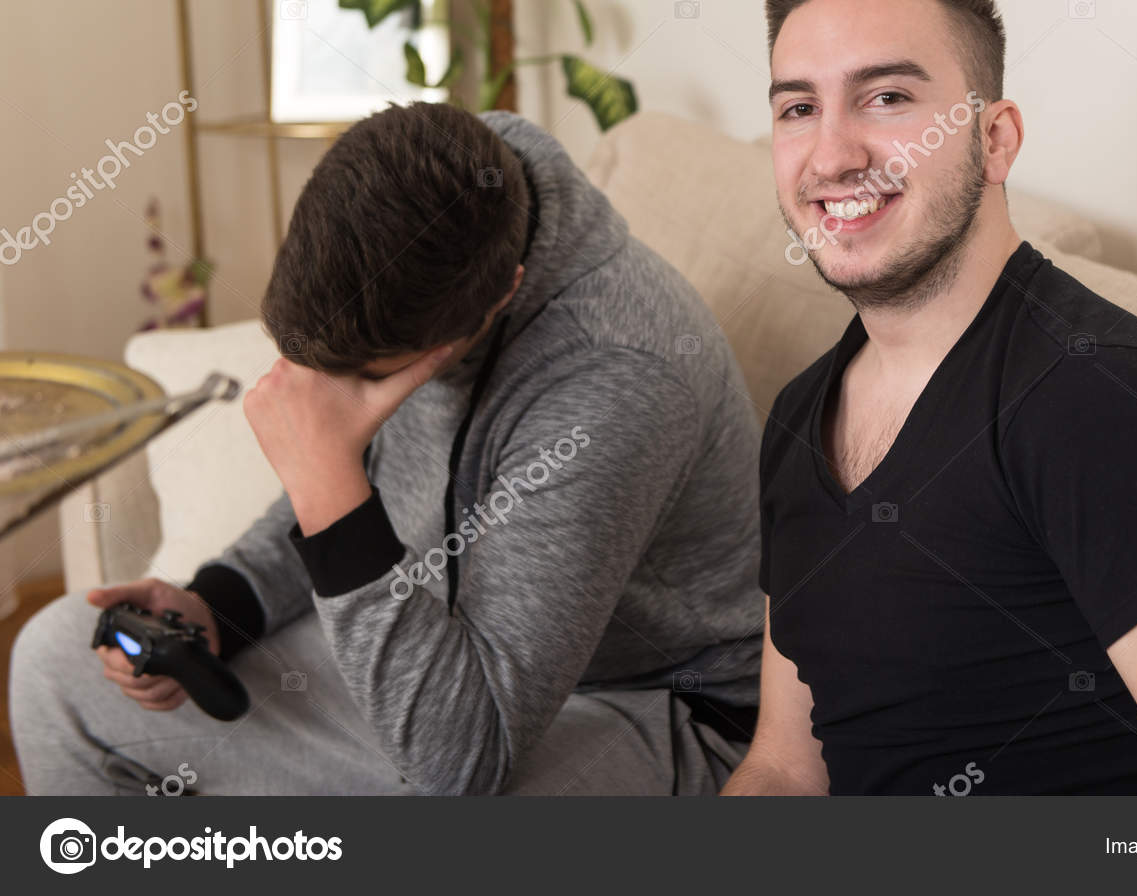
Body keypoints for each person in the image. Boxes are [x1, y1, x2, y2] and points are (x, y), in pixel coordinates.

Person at [723, 0, 1137, 796]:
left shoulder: (1101, 403)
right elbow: (784, 767)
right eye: (798, 108)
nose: (833, 152)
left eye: (887, 98)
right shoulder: (798, 416)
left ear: (996, 138)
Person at [12, 103, 764, 795]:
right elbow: (347, 471)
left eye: (362, 381)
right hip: (430, 646)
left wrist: (323, 479)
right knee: (55, 660)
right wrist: (218, 605)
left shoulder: (615, 378)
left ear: (499, 297)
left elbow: (461, 763)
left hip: (635, 710)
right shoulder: (434, 201)